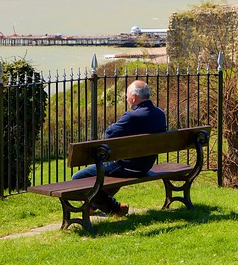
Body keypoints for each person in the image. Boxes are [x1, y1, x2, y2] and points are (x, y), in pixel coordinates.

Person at [71, 80, 167, 216]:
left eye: (127, 96)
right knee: (107, 178)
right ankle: (93, 205)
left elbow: (108, 134)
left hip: (127, 166)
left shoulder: (131, 116)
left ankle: (115, 208)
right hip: (145, 165)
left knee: (78, 178)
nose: (126, 98)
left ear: (134, 97)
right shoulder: (159, 114)